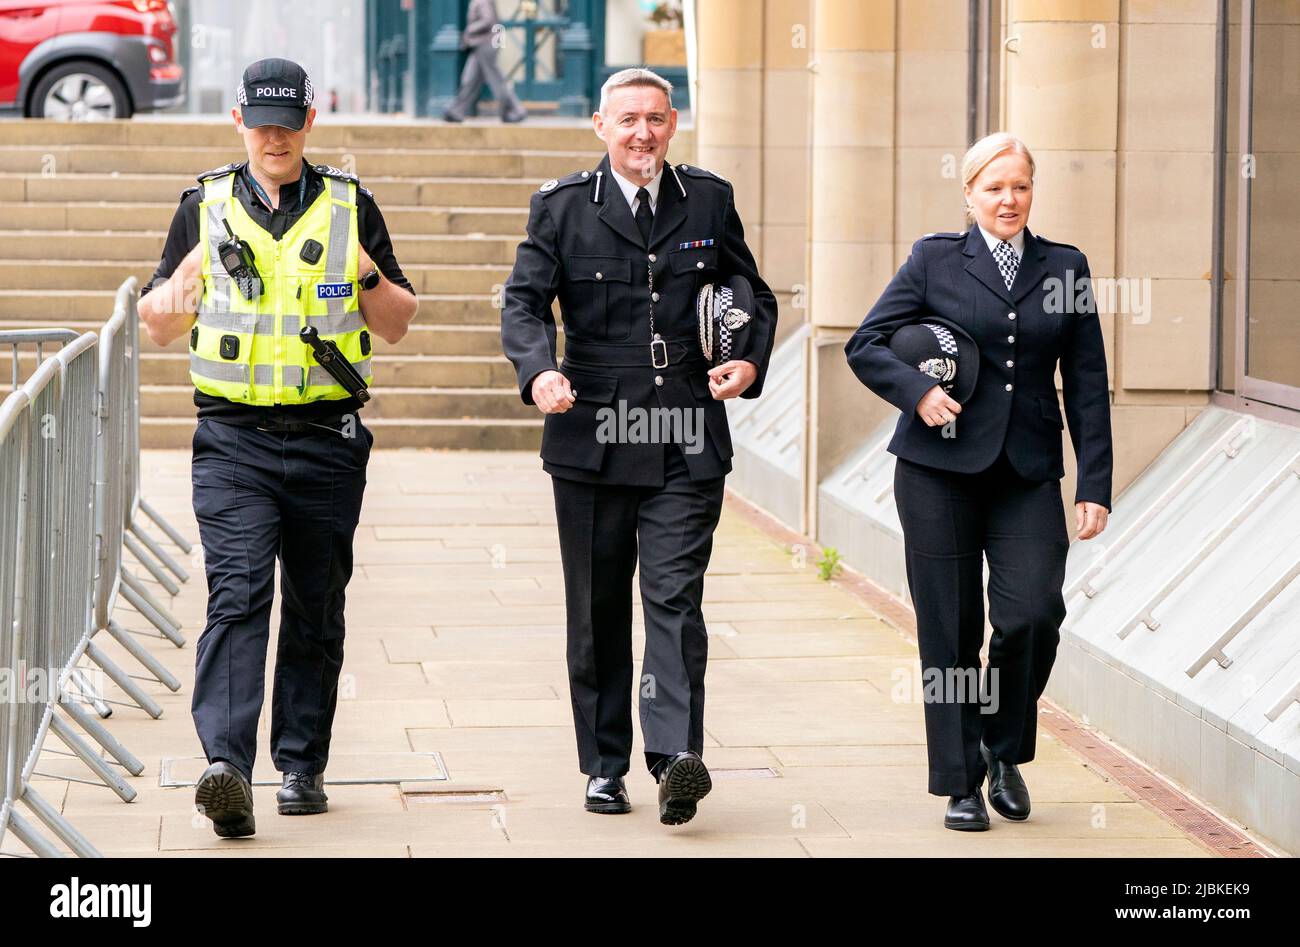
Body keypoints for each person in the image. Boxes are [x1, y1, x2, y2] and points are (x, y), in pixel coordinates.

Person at [137, 58, 419, 838]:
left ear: (309, 121)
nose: (273, 134)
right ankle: (226, 766)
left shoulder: (351, 205)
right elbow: (156, 326)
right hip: (232, 439)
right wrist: (184, 277)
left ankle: (301, 762)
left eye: (285, 121)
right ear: (238, 120)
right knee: (237, 594)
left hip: (329, 441)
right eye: (260, 121)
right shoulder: (203, 204)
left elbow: (397, 322)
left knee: (315, 604)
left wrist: (364, 273)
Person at [501, 68, 777, 825]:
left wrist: (748, 356)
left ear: (673, 123)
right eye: (627, 120)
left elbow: (753, 292)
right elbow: (524, 302)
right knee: (595, 611)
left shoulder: (708, 201)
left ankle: (675, 756)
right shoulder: (562, 208)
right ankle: (603, 763)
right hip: (590, 431)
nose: (642, 133)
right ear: (600, 124)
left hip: (686, 432)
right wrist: (538, 371)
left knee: (674, 599)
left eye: (655, 119)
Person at [844, 132, 1112, 831]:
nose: (1008, 199)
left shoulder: (1065, 265)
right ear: (969, 194)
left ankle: (1002, 746)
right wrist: (917, 394)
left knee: (1033, 613)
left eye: (1019, 186)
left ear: (1032, 191)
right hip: (938, 472)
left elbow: (1086, 380)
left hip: (1026, 471)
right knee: (951, 630)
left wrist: (1095, 483)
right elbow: (865, 342)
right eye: (993, 187)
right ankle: (960, 781)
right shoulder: (934, 260)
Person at [442, 0, 527, 123]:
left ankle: (515, 110)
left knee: (495, 79)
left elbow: (488, 20)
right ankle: (457, 111)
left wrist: (469, 29)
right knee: (469, 79)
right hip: (480, 45)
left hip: (485, 45)